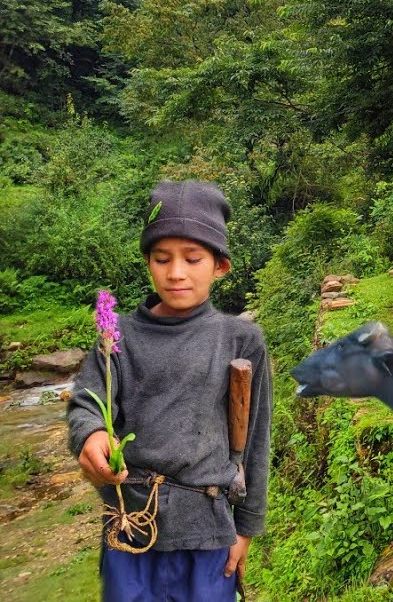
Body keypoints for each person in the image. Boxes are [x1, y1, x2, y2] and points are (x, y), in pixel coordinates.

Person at [67, 180, 273, 601]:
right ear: (148, 263)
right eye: (162, 259)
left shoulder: (241, 340)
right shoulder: (117, 335)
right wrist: (90, 434)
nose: (176, 272)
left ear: (220, 266)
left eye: (193, 258)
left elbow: (256, 440)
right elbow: (87, 402)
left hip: (208, 532)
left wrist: (247, 528)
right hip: (129, 527)